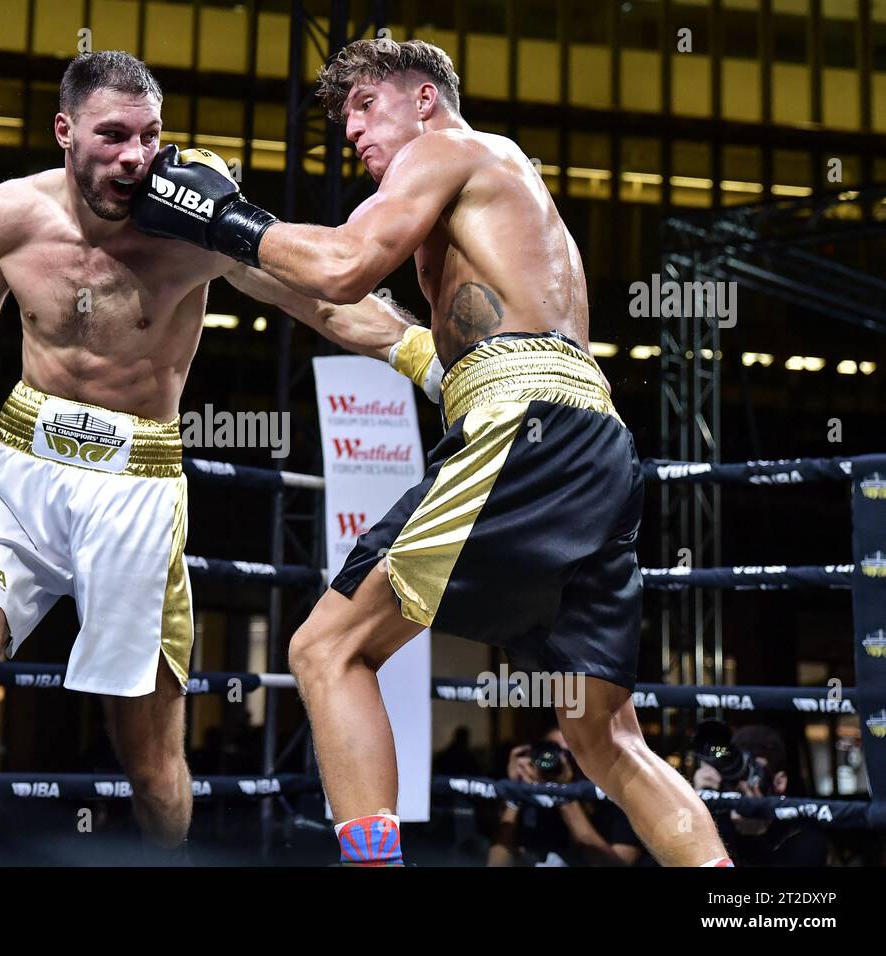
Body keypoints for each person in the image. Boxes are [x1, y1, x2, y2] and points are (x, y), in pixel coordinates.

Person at [132, 36, 733, 867]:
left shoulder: (449, 148)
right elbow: (367, 321)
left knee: (325, 649)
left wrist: (228, 215)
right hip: (588, 442)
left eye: (364, 107)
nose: (353, 132)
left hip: (522, 432)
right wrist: (226, 252)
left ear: (423, 99)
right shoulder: (490, 218)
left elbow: (342, 267)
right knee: (603, 739)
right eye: (344, 123)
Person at [0, 50, 433, 849]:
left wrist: (430, 357)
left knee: (151, 759)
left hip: (136, 482)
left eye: (150, 137)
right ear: (65, 131)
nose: (135, 156)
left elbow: (328, 306)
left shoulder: (195, 229)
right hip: (23, 460)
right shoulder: (10, 213)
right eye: (113, 135)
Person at [489, 726, 644, 867]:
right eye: (551, 752)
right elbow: (496, 863)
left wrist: (562, 794)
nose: (560, 761)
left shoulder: (615, 799)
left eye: (570, 754)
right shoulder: (531, 797)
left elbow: (614, 865)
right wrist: (515, 791)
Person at [692, 722, 829, 866]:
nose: (740, 782)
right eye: (733, 771)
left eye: (750, 772)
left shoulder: (804, 836)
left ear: (779, 782)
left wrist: (752, 838)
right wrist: (698, 806)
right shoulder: (718, 819)